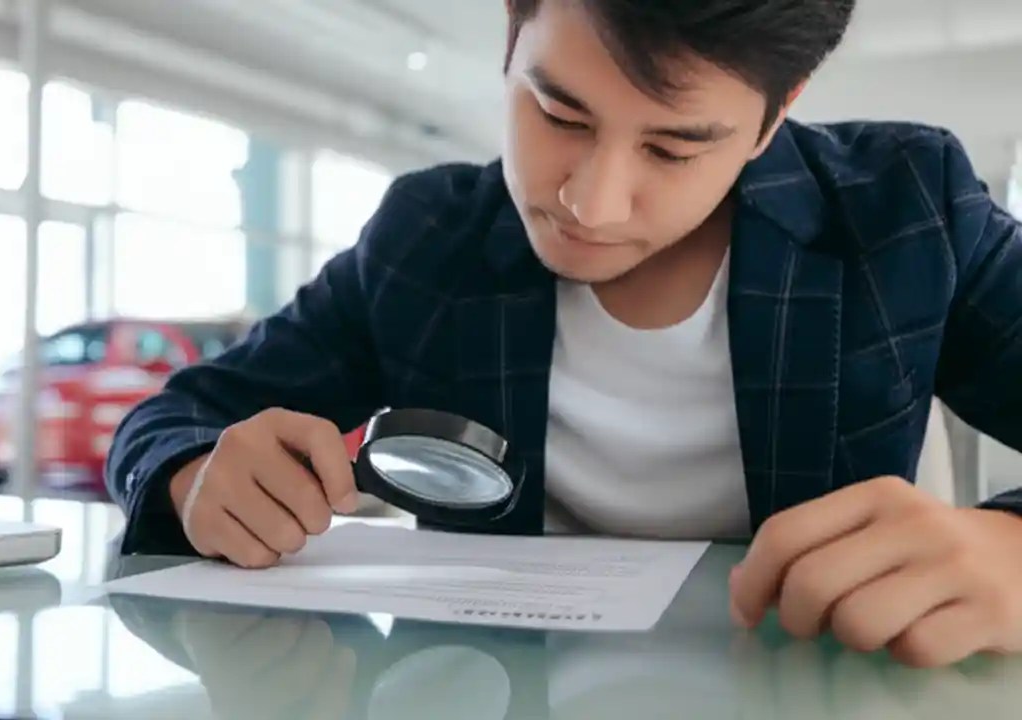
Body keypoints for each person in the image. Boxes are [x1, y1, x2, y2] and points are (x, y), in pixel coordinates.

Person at [108, 0, 1022, 668]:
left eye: (671, 149)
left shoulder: (909, 211)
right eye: (559, 114)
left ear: (774, 115)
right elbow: (176, 418)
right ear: (512, 30)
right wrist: (194, 479)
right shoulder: (428, 241)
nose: (590, 201)